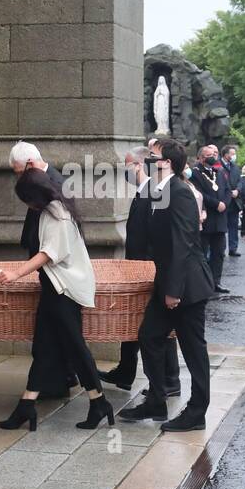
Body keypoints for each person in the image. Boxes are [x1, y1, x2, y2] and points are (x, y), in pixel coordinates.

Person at [0, 169, 112, 432]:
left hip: (64, 290)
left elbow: (48, 253)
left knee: (74, 347)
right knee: (46, 347)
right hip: (54, 288)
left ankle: (99, 401)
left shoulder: (57, 214)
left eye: (25, 199)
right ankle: (26, 405)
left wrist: (15, 274)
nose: (26, 205)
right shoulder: (54, 209)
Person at [120, 137, 216, 430]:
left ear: (166, 164)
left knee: (193, 350)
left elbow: (182, 244)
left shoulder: (180, 192)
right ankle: (156, 402)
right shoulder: (159, 191)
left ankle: (196, 412)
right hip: (167, 284)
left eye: (152, 155)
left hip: (186, 288)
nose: (148, 159)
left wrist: (173, 290)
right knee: (149, 337)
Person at [100, 148, 182, 396]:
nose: (123, 170)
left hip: (146, 269)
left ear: (137, 166)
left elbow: (155, 238)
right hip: (137, 268)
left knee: (159, 327)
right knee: (135, 321)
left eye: (126, 165)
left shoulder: (152, 194)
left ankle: (169, 381)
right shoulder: (145, 192)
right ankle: (126, 371)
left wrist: (147, 270)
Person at [9, 140, 75, 399]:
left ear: (29, 164)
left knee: (56, 336)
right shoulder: (48, 180)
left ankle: (57, 384)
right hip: (48, 266)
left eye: (17, 172)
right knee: (52, 335)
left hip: (55, 270)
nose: (17, 177)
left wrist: (19, 272)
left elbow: (53, 247)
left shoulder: (54, 184)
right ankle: (50, 385)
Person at [190, 145, 230, 293]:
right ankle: (202, 282)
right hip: (206, 218)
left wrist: (225, 203)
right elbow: (199, 194)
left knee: (219, 253)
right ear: (200, 158)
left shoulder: (219, 172)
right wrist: (216, 204)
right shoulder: (195, 174)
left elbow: (227, 189)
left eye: (213, 154)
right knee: (202, 253)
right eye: (207, 155)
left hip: (220, 219)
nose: (211, 157)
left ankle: (216, 282)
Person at [222, 145, 243, 257]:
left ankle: (233, 248)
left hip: (235, 202)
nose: (234, 156)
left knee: (233, 226)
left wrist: (238, 190)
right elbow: (221, 183)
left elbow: (240, 180)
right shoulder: (218, 166)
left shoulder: (235, 167)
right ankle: (222, 249)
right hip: (224, 201)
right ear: (226, 154)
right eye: (232, 153)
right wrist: (230, 192)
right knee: (222, 227)